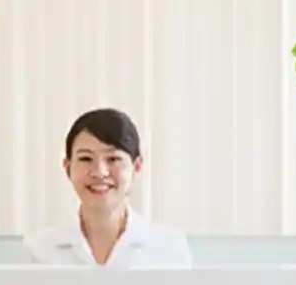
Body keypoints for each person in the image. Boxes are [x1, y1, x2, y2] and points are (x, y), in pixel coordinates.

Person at [23, 108, 192, 268]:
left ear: (136, 167)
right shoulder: (39, 251)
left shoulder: (170, 249)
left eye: (113, 159)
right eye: (86, 159)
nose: (99, 172)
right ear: (67, 167)